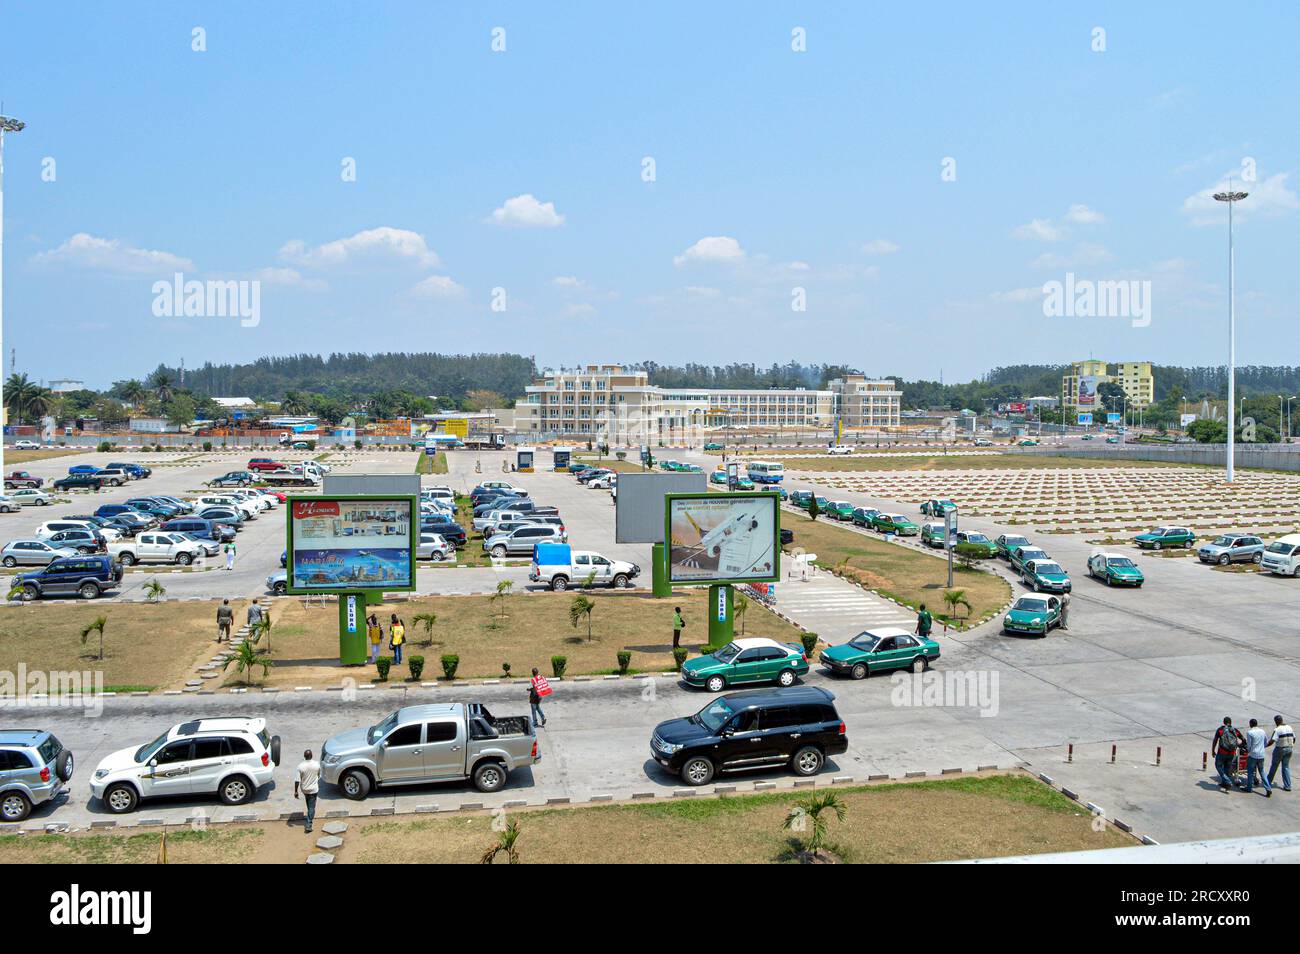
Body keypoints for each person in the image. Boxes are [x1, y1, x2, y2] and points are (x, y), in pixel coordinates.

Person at [1212, 717, 1244, 791]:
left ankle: (1227, 781)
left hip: (1222, 752)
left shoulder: (1220, 730)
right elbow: (1243, 738)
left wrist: (1213, 750)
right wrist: (1241, 745)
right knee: (1227, 768)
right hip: (1231, 753)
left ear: (1223, 722)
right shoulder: (1235, 730)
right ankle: (1225, 783)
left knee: (1218, 766)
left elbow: (1215, 740)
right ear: (1231, 722)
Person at [294, 749, 321, 834]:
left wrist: (296, 791)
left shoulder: (300, 766)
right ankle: (309, 824)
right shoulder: (316, 765)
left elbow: (297, 780)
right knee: (312, 807)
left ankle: (309, 817)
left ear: (304, 756)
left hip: (305, 789)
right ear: (312, 755)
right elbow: (319, 775)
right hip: (314, 789)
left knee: (309, 804)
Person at [1267, 714, 1294, 792]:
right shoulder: (1289, 727)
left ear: (1276, 721)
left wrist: (1265, 746)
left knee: (1274, 766)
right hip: (1289, 748)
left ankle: (1268, 782)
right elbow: (1294, 738)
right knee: (1285, 767)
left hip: (1280, 749)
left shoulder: (1277, 729)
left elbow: (1272, 740)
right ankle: (1288, 786)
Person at [1245, 718, 1272, 796]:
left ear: (1250, 724)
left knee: (1250, 771)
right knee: (1262, 772)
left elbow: (1249, 745)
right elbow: (1266, 742)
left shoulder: (1250, 732)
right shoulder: (1262, 731)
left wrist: (1248, 751)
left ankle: (1249, 788)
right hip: (1261, 755)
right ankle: (1268, 788)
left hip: (1253, 755)